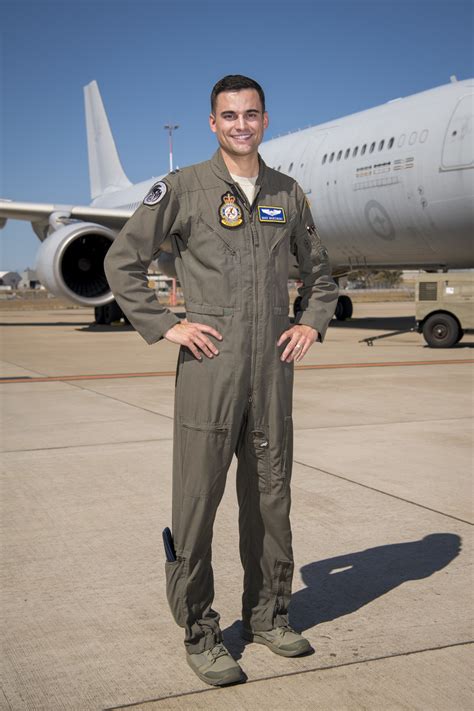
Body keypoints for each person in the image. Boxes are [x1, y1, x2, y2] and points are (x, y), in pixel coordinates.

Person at [104, 74, 338, 686]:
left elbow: (321, 273)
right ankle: (200, 631)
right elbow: (121, 261)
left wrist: (311, 323)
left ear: (265, 120)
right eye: (229, 115)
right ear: (212, 123)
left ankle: (269, 618)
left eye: (251, 114)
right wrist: (165, 325)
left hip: (272, 375)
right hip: (210, 371)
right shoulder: (182, 189)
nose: (241, 124)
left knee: (270, 500)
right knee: (197, 504)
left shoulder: (288, 192)